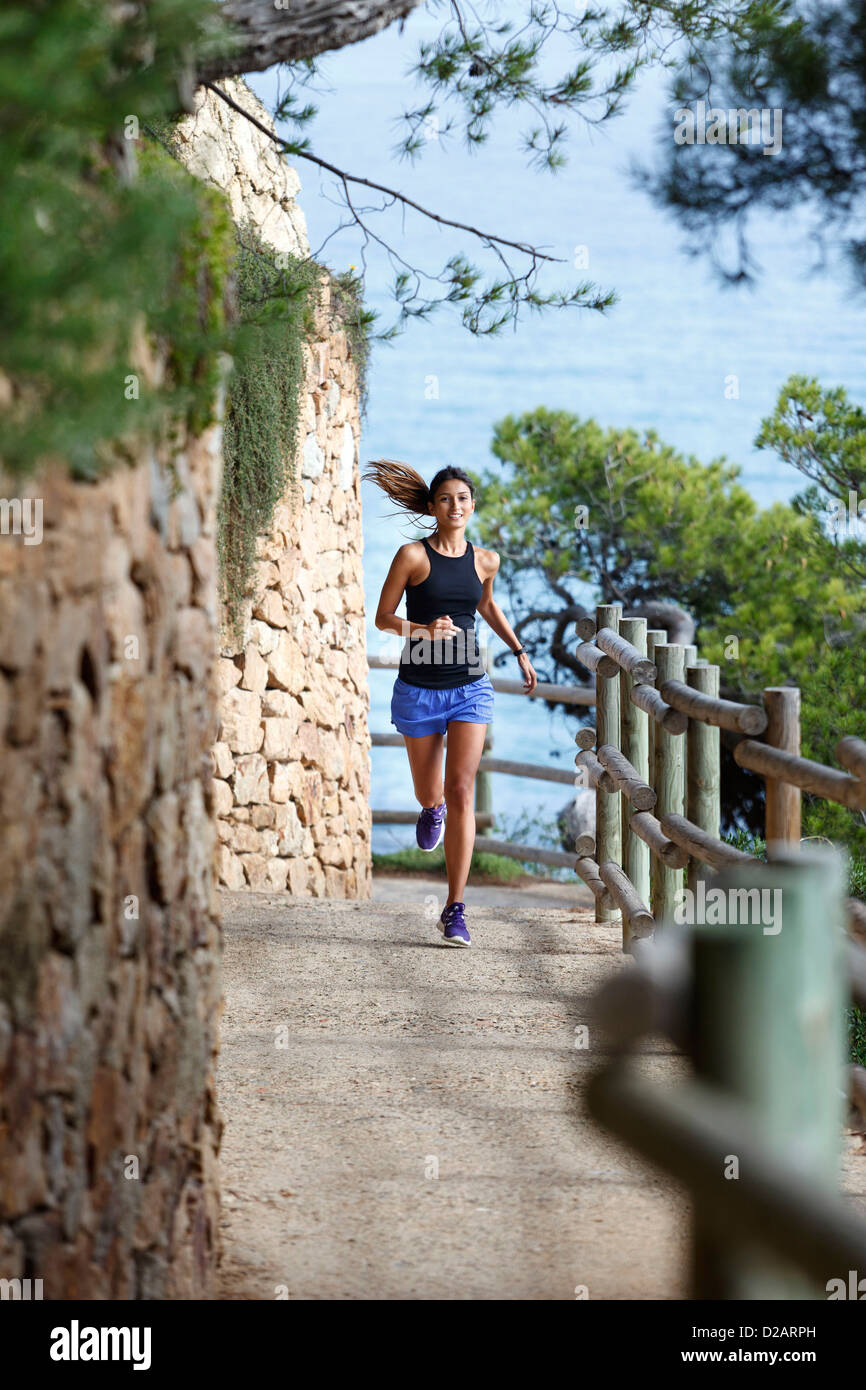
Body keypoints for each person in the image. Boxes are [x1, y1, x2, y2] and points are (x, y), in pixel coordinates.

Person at [365, 460, 538, 947]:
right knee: (432, 792)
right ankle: (430, 808)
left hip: (470, 686)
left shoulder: (486, 560)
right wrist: (423, 630)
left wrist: (519, 651)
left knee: (462, 788)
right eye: (445, 499)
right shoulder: (411, 557)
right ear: (431, 507)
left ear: (472, 505)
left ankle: (455, 909)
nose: (455, 506)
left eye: (462, 498)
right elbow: (382, 618)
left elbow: (485, 605)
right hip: (419, 689)